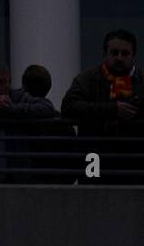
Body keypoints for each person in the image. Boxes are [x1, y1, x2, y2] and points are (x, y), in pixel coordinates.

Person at [62, 28, 144, 182]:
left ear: (133, 56)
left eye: (125, 53)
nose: (119, 58)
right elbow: (68, 107)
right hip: (94, 154)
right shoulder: (88, 78)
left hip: (134, 156)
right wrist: (112, 110)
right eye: (114, 53)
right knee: (92, 199)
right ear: (104, 54)